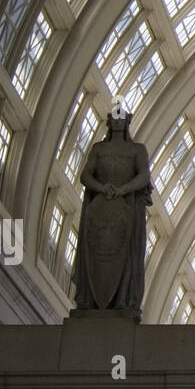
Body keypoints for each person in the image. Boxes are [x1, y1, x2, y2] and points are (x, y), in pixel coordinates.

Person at [73, 108, 152, 318]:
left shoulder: (137, 150)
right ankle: (92, 298)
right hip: (101, 211)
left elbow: (144, 176)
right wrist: (102, 188)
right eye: (114, 120)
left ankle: (123, 299)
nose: (117, 123)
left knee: (126, 255)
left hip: (126, 214)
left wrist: (123, 190)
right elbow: (85, 175)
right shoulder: (99, 149)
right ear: (109, 123)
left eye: (121, 120)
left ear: (127, 123)